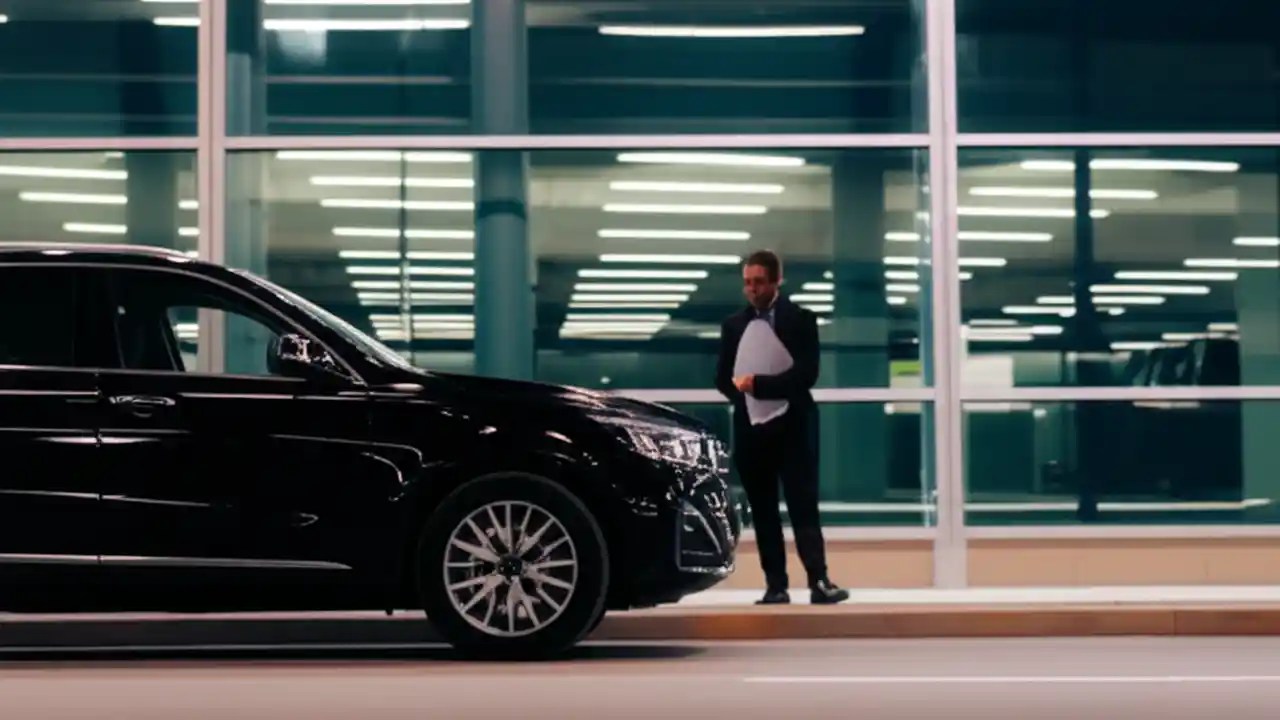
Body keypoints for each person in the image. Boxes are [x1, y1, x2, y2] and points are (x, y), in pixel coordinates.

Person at [715, 249, 850, 605]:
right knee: (762, 509)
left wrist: (759, 387)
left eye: (759, 282)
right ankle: (776, 586)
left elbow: (806, 374)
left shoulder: (801, 319)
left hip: (794, 428)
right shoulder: (733, 325)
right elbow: (723, 378)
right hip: (753, 431)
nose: (753, 290)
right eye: (747, 283)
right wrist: (748, 398)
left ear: (776, 281)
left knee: (803, 504)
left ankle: (819, 581)